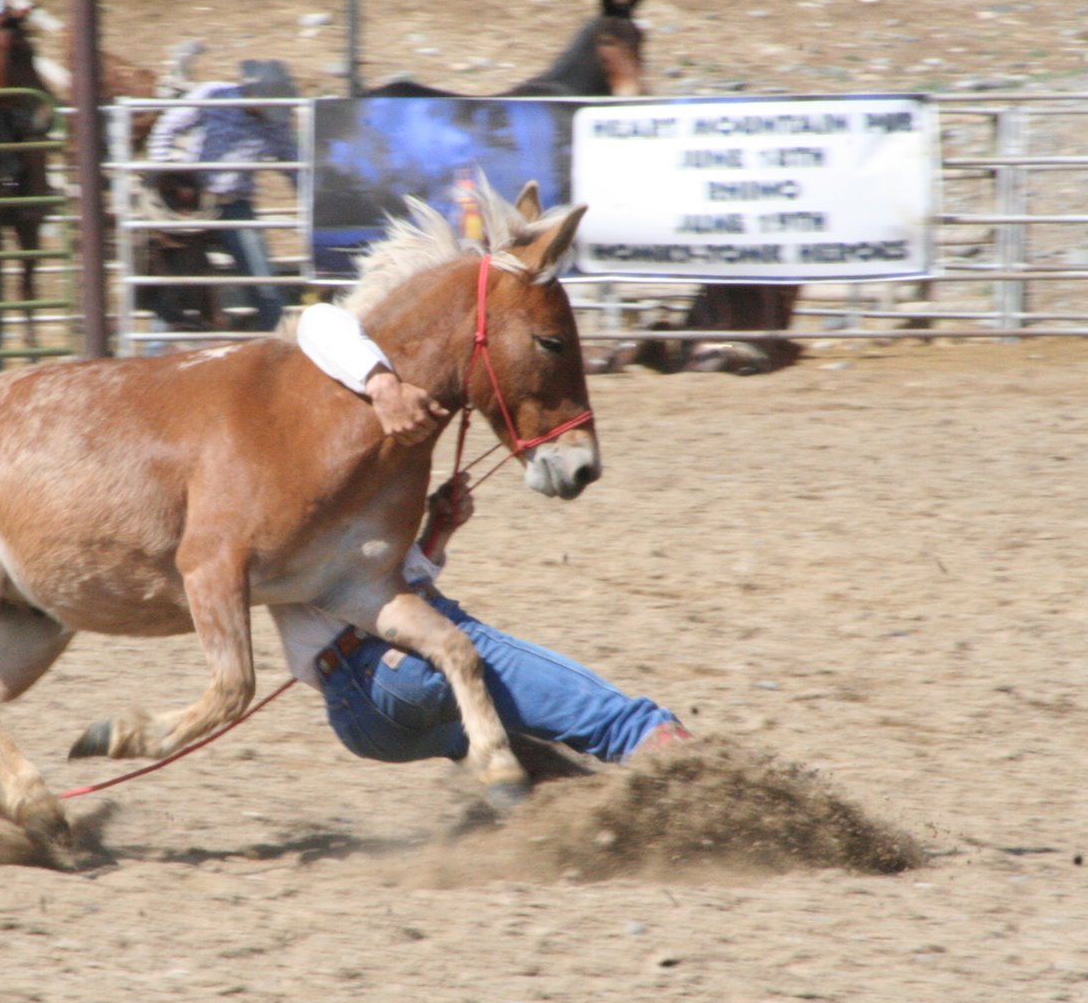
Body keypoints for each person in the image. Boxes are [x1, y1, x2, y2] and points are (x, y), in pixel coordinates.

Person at [283, 301, 693, 772]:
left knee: (529, 761)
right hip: (405, 661)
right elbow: (316, 319)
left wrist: (435, 536)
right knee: (624, 724)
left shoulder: (278, 492)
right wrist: (382, 383)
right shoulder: (321, 459)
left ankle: (559, 831)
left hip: (361, 718)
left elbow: (350, 578)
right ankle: (707, 781)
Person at [144, 58, 300, 330]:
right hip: (191, 202)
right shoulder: (212, 95)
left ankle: (276, 343)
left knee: (263, 282)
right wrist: (164, 174)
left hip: (234, 203)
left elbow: (295, 166)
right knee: (175, 280)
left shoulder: (275, 126)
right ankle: (156, 348)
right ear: (252, 92)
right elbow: (167, 128)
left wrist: (311, 203)